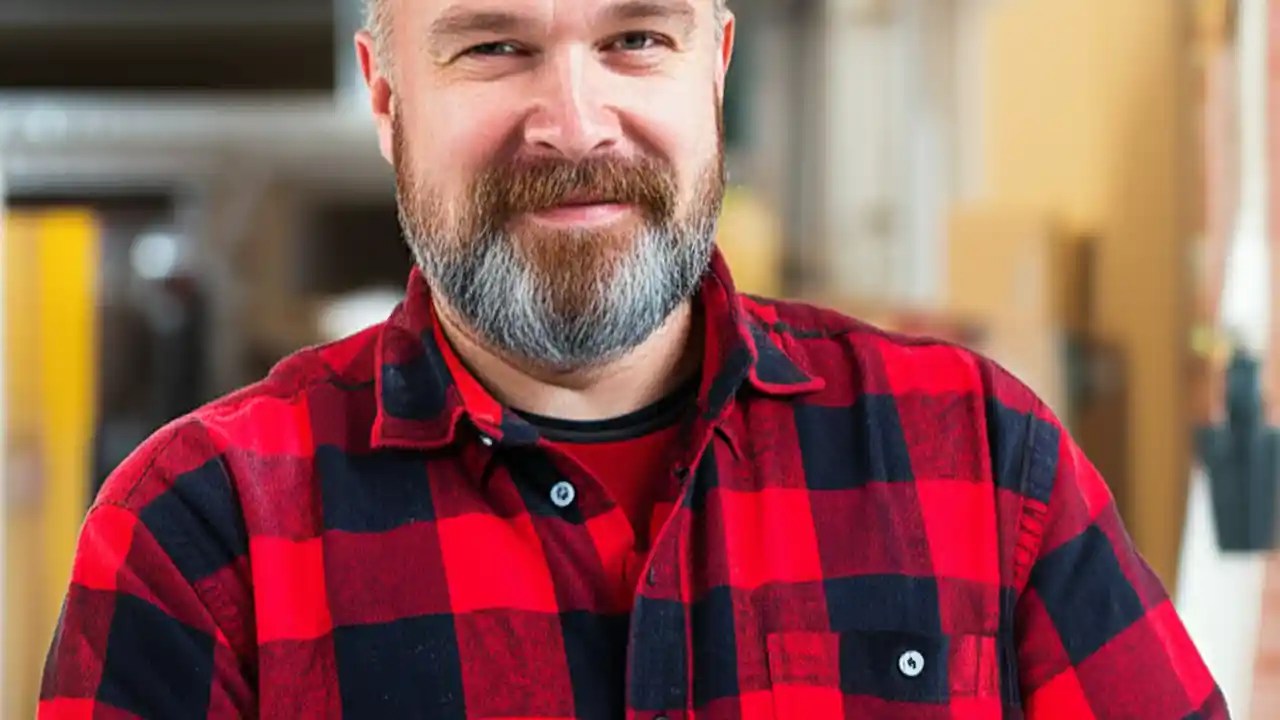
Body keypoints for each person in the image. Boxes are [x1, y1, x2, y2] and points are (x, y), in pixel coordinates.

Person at [40, 0, 1227, 717]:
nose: (574, 121)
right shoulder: (199, 538)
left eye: (634, 37)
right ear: (385, 91)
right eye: (494, 45)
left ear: (711, 66)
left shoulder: (978, 459)